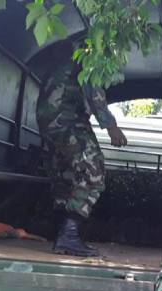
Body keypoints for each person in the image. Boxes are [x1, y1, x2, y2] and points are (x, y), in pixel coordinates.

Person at [36, 39, 128, 257]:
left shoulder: (62, 62)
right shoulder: (89, 59)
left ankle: (60, 232)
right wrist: (111, 126)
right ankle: (68, 235)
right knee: (93, 171)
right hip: (66, 121)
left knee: (65, 176)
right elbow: (94, 91)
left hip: (49, 123)